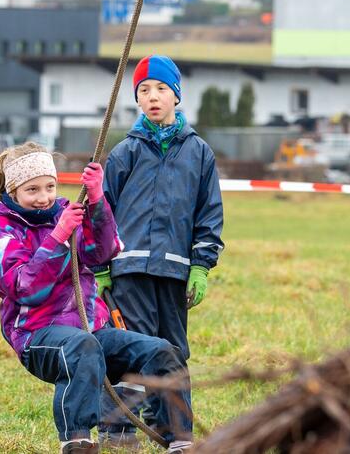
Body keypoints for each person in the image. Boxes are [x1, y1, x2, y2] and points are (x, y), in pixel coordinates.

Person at [0, 142, 188, 454]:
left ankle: (179, 440)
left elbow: (102, 252)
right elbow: (24, 287)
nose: (43, 197)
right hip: (36, 334)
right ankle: (77, 441)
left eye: (50, 187)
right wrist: (57, 238)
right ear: (13, 192)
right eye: (32, 190)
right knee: (82, 348)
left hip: (91, 327)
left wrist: (97, 202)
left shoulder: (66, 213)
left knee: (162, 352)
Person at [94, 55, 226, 451]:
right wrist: (101, 267)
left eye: (161, 89)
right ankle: (118, 428)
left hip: (174, 272)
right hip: (129, 269)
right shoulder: (124, 153)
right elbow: (102, 211)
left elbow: (209, 213)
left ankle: (176, 435)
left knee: (172, 351)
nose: (153, 97)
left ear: (177, 96)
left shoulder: (199, 153)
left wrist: (201, 266)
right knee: (132, 347)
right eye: (144, 90)